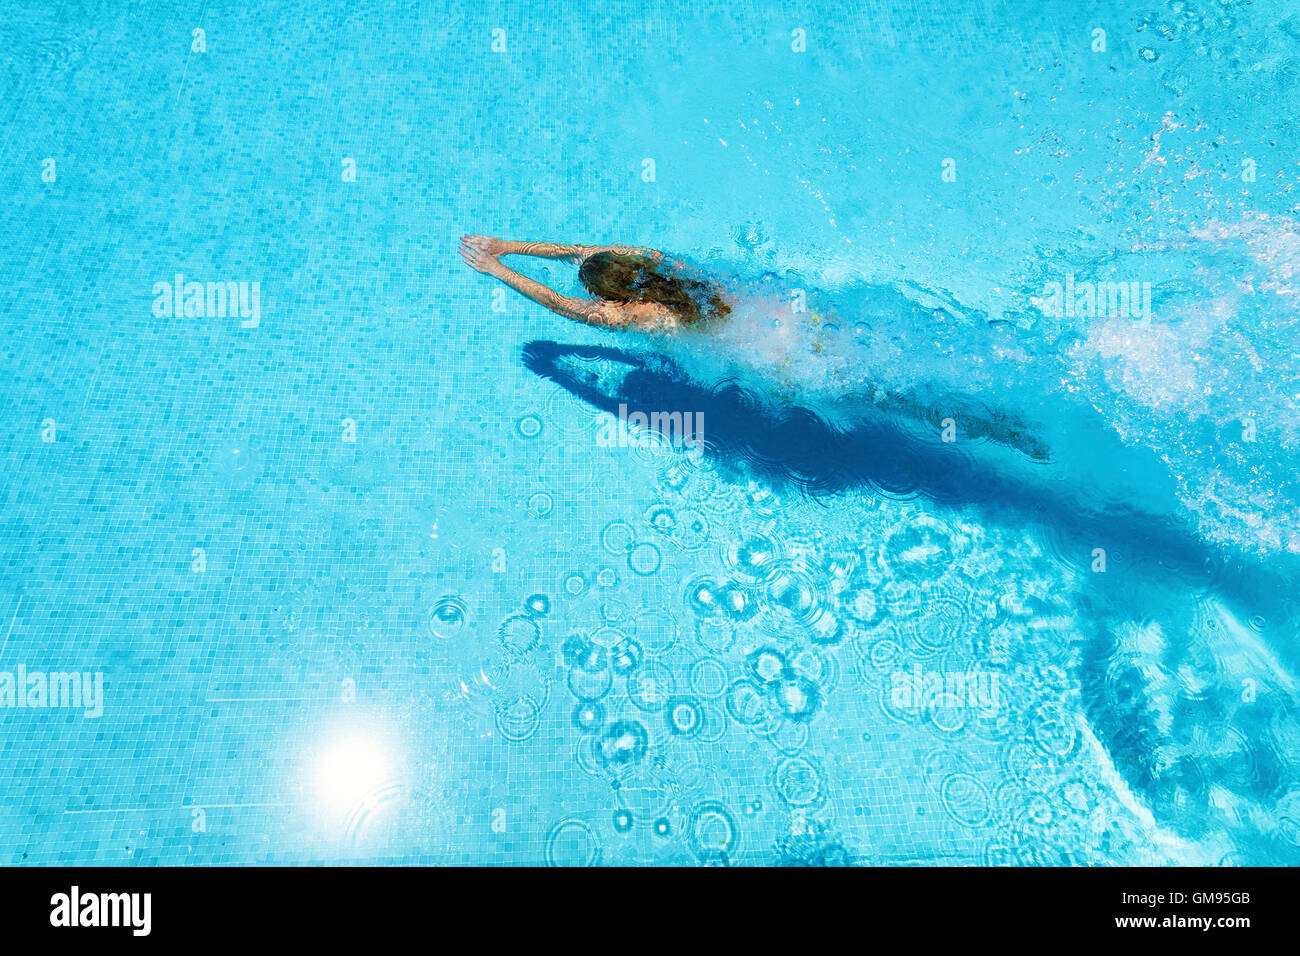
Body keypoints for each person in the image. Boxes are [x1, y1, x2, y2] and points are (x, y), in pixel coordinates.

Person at [458, 235, 731, 332]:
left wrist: (497, 269)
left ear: (609, 295)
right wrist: (506, 246)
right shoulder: (651, 258)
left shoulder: (625, 313)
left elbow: (556, 303)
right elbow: (581, 252)